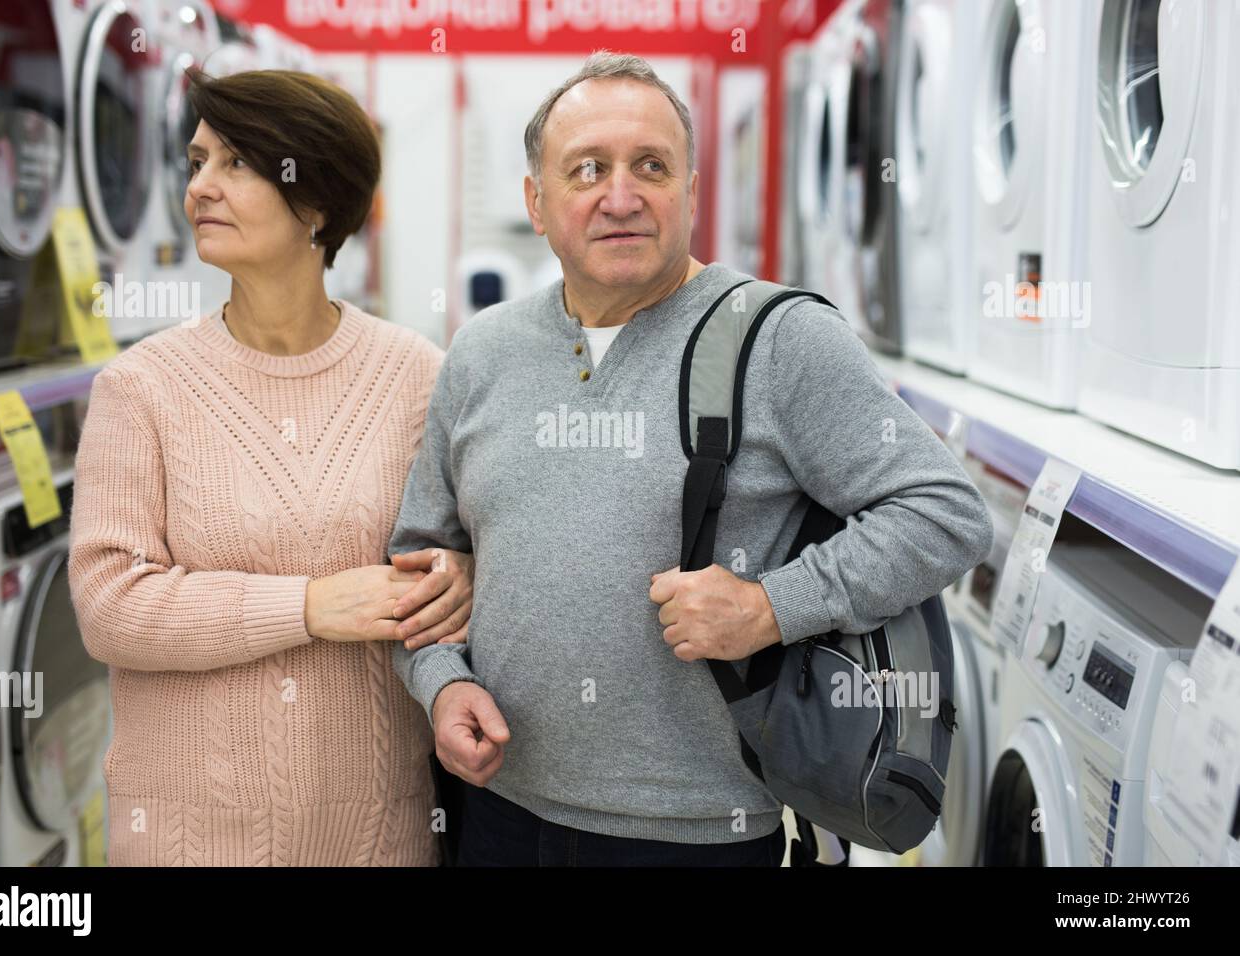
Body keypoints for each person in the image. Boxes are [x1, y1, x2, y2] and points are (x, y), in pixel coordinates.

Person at [390, 52, 995, 866]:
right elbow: (421, 559)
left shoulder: (779, 340)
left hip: (698, 832)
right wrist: (442, 684)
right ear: (537, 201)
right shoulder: (481, 353)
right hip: (497, 809)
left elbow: (947, 515)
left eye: (651, 166)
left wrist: (771, 605)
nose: (622, 195)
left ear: (692, 193)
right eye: (587, 169)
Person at [68, 68, 473, 866]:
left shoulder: (417, 376)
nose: (200, 189)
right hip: (188, 838)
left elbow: (456, 556)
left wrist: (463, 570)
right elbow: (108, 606)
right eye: (195, 162)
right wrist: (310, 606)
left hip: (377, 828)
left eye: (236, 164)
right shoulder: (141, 387)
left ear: (318, 202)